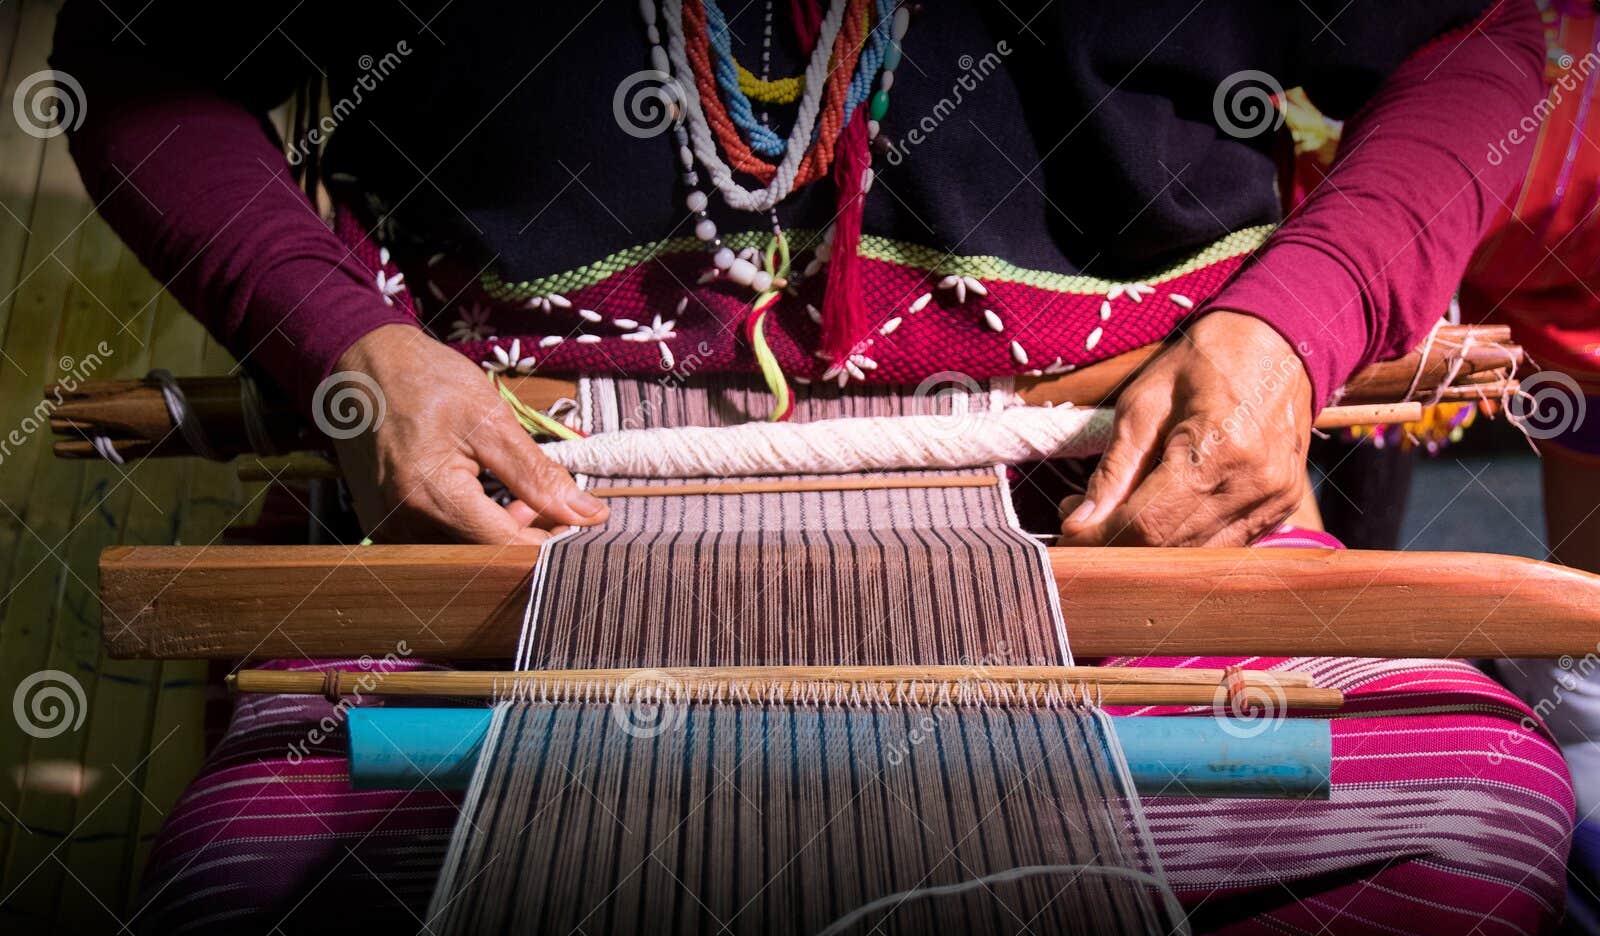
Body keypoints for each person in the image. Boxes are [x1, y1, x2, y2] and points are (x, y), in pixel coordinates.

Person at [57, 1, 1545, 548]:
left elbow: (1499, 36)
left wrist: (1303, 317)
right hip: (517, 518)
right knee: (257, 896)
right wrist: (345, 349)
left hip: (1112, 503)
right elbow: (130, 56)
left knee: (1464, 833)